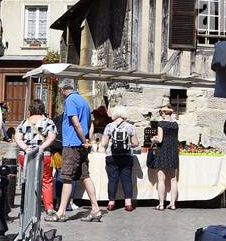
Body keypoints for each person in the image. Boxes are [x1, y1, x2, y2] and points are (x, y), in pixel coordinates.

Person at [47, 80, 103, 222]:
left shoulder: (70, 100)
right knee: (85, 176)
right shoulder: (83, 101)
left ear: (64, 89)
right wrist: (87, 141)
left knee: (66, 177)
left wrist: (83, 140)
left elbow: (75, 122)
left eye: (61, 91)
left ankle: (60, 213)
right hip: (81, 145)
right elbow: (90, 124)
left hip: (72, 144)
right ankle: (96, 209)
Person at [16, 100, 58, 215]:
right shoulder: (48, 122)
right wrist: (41, 147)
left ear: (31, 109)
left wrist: (26, 148)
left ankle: (27, 206)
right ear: (42, 109)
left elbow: (18, 138)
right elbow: (51, 137)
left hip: (26, 156)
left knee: (28, 180)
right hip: (44, 155)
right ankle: (49, 207)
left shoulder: (24, 122)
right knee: (46, 181)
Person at [102, 107, 140, 212]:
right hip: (126, 156)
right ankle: (128, 203)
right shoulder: (130, 127)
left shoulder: (109, 126)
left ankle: (111, 203)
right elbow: (136, 143)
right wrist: (129, 144)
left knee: (112, 179)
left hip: (112, 156)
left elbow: (103, 143)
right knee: (127, 179)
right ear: (124, 114)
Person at [148, 102, 180, 210]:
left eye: (161, 112)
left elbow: (160, 139)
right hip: (173, 152)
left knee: (161, 179)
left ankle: (161, 204)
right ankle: (173, 204)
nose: (160, 114)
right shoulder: (175, 124)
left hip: (162, 152)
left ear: (163, 113)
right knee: (173, 179)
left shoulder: (161, 124)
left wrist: (153, 139)